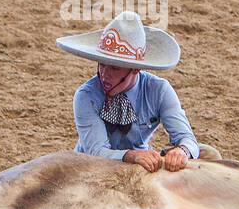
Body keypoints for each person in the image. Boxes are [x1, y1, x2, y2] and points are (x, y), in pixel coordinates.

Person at [56, 10, 201, 172]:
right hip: (91, 169)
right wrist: (132, 155)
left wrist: (182, 151)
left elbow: (188, 139)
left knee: (208, 154)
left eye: (114, 68)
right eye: (101, 64)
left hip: (141, 163)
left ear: (135, 69)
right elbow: (96, 152)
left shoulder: (159, 90)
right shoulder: (86, 95)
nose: (104, 74)